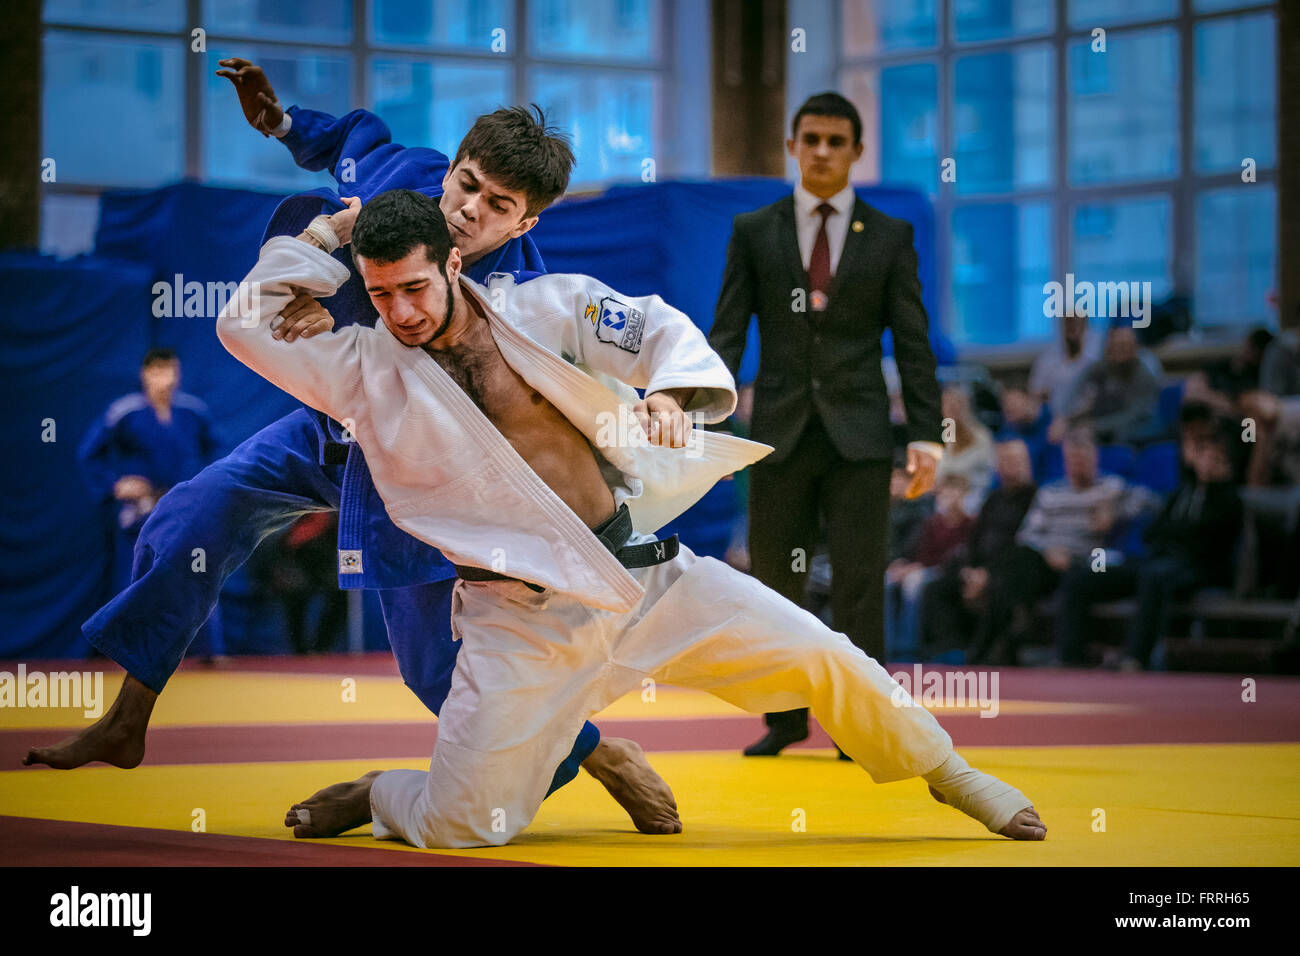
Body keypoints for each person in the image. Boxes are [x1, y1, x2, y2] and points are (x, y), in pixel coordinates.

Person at [214, 188, 1044, 847]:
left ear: (455, 261)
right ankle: (385, 793)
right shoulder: (363, 369)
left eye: (416, 288)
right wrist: (329, 234)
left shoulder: (547, 309)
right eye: (381, 293)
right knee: (462, 829)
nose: (400, 313)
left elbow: (654, 330)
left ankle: (951, 772)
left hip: (646, 576)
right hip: (519, 622)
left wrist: (675, 395)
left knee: (825, 653)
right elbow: (241, 324)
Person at [25, 62, 677, 836]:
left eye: (498, 206)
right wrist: (281, 125)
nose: (469, 210)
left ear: (525, 223)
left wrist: (333, 317)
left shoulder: (525, 309)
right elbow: (349, 141)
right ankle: (130, 715)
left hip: (425, 473)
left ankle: (601, 753)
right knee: (193, 513)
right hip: (328, 436)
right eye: (468, 183)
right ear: (455, 162)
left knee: (437, 673)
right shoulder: (406, 175)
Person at [708, 91, 944, 758]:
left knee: (860, 582)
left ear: (856, 152)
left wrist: (926, 434)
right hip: (778, 432)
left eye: (835, 142)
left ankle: (859, 725)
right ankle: (784, 719)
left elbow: (915, 343)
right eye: (810, 138)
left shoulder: (891, 236)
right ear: (792, 144)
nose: (821, 152)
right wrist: (701, 414)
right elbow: (727, 333)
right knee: (778, 585)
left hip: (862, 437)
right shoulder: (755, 231)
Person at [1055, 420, 1243, 670]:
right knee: (1083, 578)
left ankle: (1135, 657)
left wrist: (1175, 536)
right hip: (1158, 561)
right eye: (1204, 455)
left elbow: (1207, 542)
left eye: (1215, 458)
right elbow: (1153, 532)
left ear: (1227, 464)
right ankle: (1070, 656)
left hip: (1197, 568)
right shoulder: (1182, 493)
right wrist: (1176, 536)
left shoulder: (1230, 499)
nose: (1207, 462)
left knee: (1154, 576)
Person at [77, 348, 225, 659]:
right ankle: (128, 652)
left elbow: (217, 451)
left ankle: (206, 653)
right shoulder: (125, 411)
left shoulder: (193, 411)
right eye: (159, 371)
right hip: (142, 508)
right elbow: (90, 453)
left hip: (186, 507)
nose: (166, 379)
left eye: (172, 370)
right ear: (145, 374)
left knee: (199, 574)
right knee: (137, 578)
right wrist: (114, 484)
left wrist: (206, 487)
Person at [970, 428, 1151, 665]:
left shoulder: (1111, 487)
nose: (1078, 465)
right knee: (1015, 561)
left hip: (1092, 556)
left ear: (1094, 457)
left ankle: (1066, 657)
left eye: (1083, 459)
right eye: (1072, 460)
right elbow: (1027, 534)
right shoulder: (1051, 492)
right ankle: (1005, 640)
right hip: (1051, 559)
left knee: (1084, 573)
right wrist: (1048, 551)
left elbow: (1151, 502)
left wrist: (1114, 511)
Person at [918, 439, 1038, 662]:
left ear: (1026, 463)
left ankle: (983, 654)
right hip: (978, 568)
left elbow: (1025, 545)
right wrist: (969, 570)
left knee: (1003, 584)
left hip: (1009, 571)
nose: (1009, 466)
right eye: (1004, 461)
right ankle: (950, 648)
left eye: (1014, 461)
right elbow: (974, 539)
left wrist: (987, 574)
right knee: (935, 588)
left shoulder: (1034, 497)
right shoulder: (994, 498)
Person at [884, 474, 973, 661]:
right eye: (946, 492)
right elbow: (921, 552)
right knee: (888, 580)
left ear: (965, 496)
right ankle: (886, 644)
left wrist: (915, 568)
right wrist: (905, 565)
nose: (951, 497)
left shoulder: (969, 524)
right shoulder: (932, 523)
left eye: (956, 491)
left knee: (913, 582)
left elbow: (958, 557)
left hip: (948, 571)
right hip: (922, 567)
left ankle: (908, 646)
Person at [1052, 324, 1163, 446]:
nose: (1120, 350)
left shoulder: (1144, 378)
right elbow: (1077, 386)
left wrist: (1094, 427)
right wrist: (1063, 417)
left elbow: (1132, 416)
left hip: (1136, 432)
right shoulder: (1102, 367)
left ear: (1135, 348)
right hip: (1103, 426)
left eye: (1125, 346)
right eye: (1116, 346)